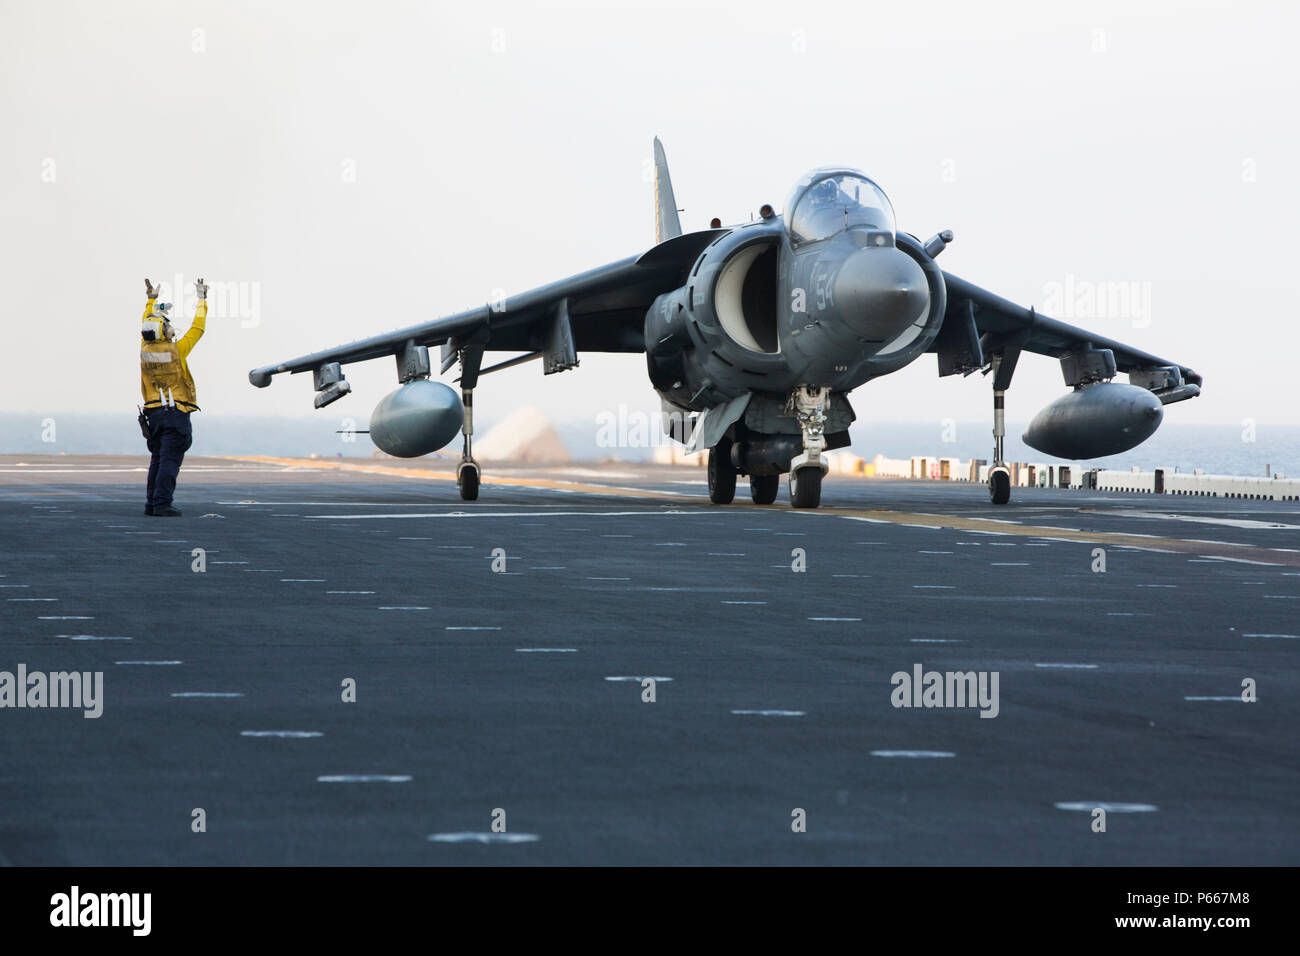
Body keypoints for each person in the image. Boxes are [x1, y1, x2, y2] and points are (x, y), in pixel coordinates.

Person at [140, 277, 207, 516]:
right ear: (165, 331)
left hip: (153, 414)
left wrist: (151, 302)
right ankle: (162, 503)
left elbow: (146, 324)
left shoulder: (144, 350)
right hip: (175, 413)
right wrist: (201, 300)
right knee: (170, 460)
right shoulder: (176, 351)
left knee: (157, 460)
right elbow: (198, 329)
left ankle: (152, 503)